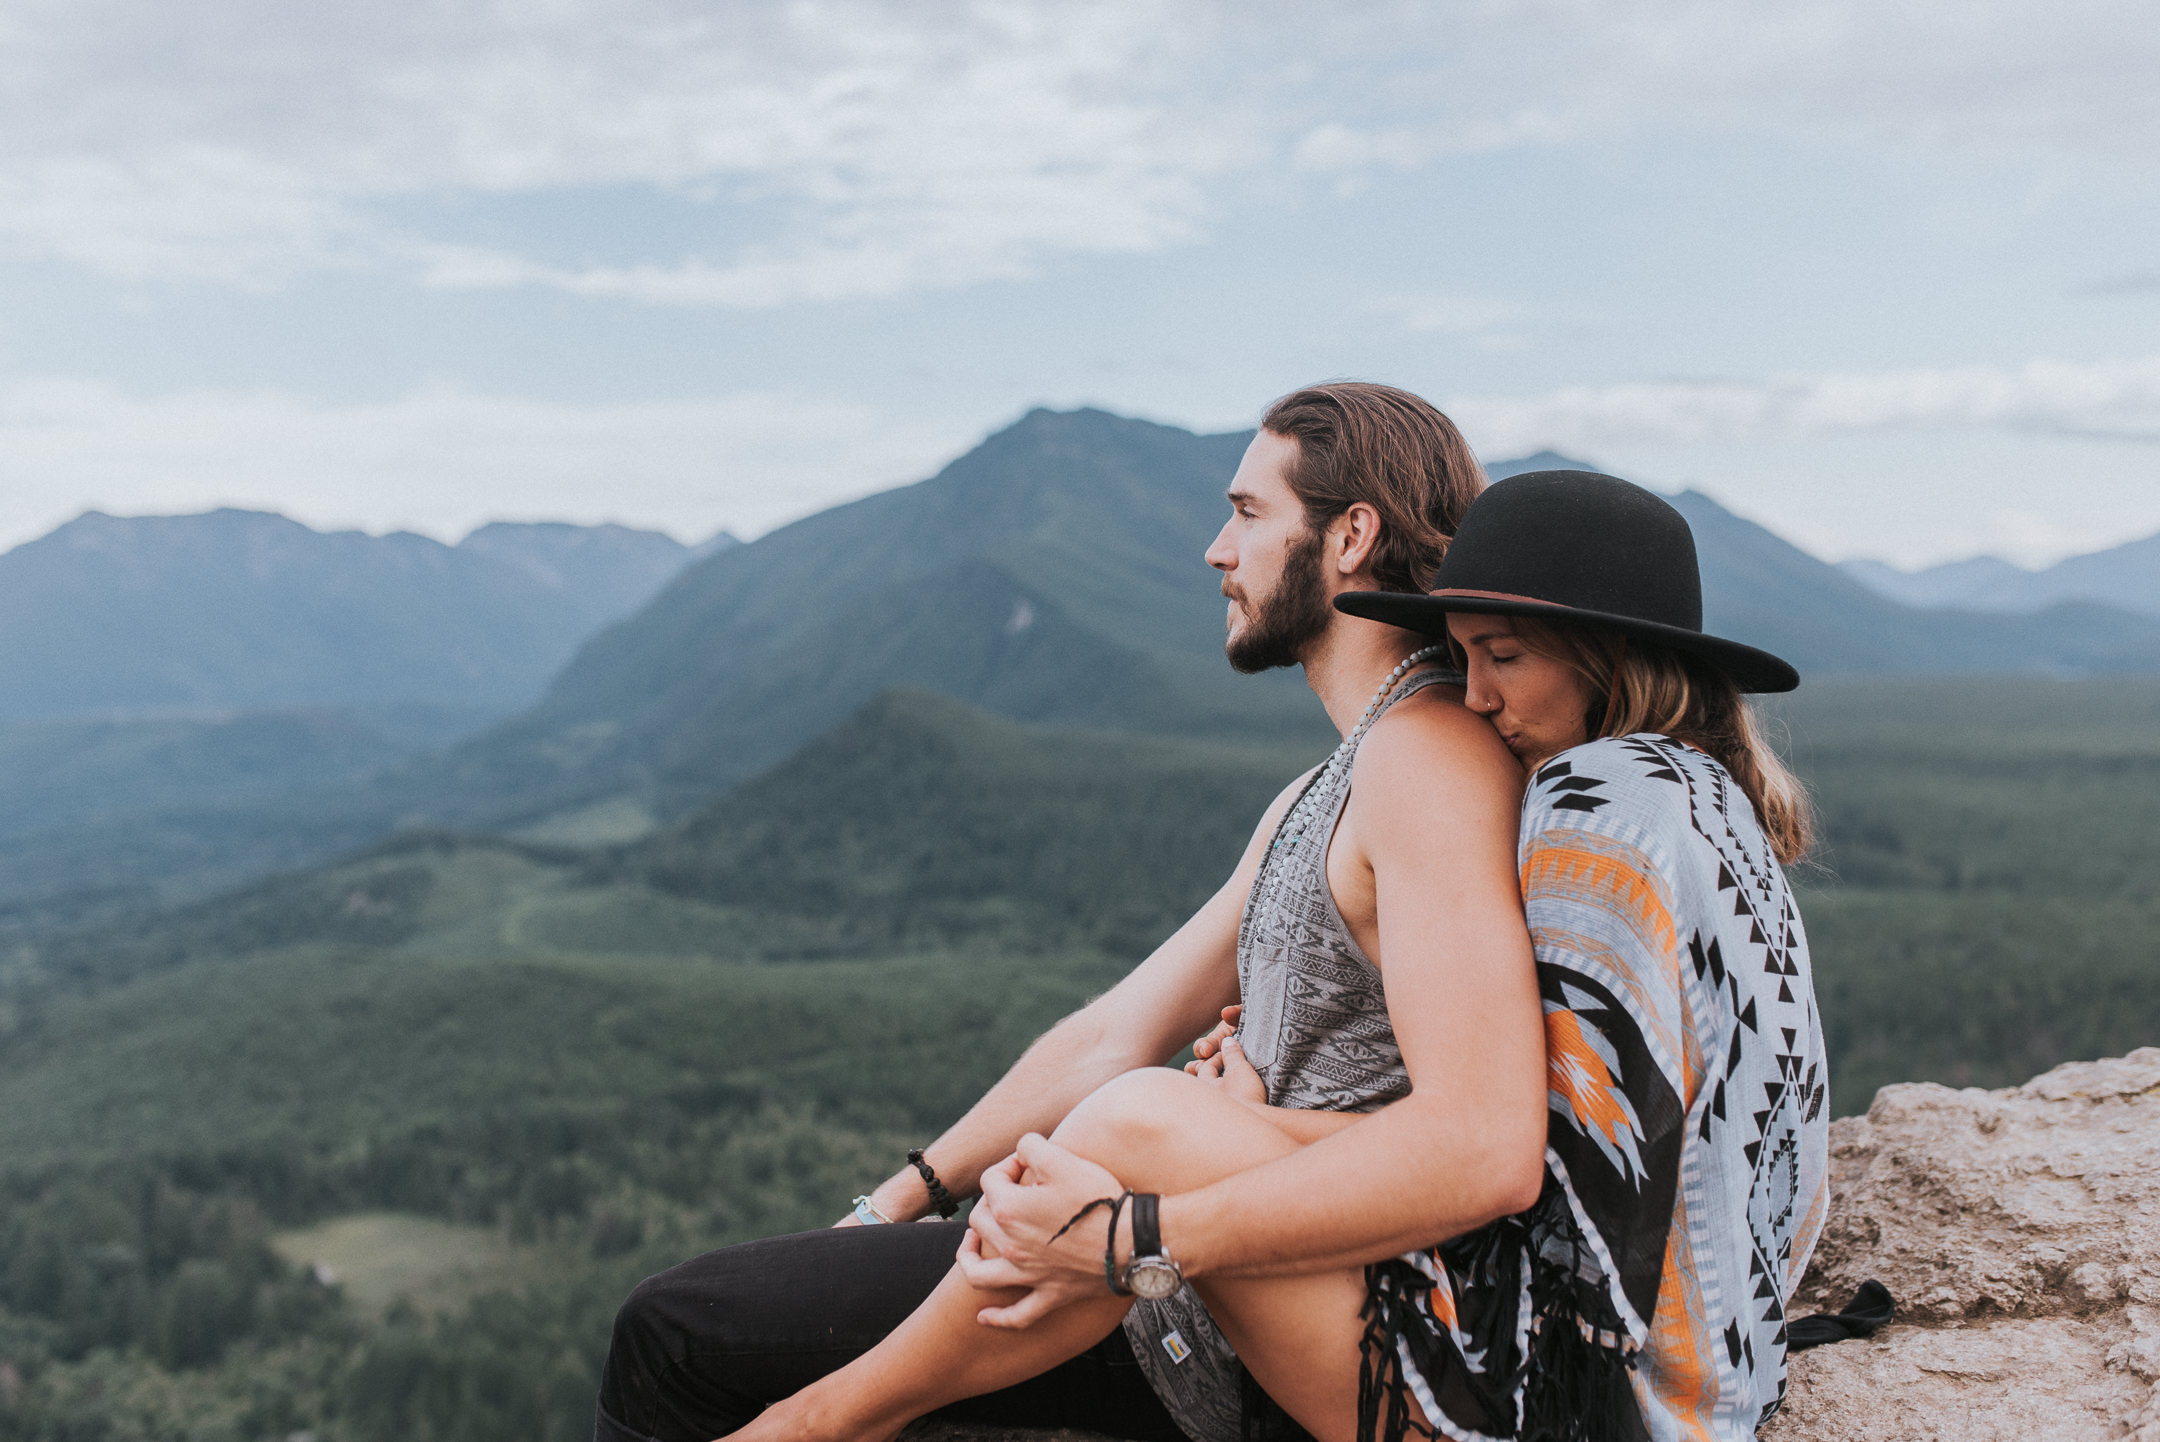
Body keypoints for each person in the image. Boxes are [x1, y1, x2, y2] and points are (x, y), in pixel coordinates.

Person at [592, 382, 1549, 1442]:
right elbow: (1115, 1029)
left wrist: (1165, 1188)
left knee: (674, 1340)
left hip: (1240, 1309)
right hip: (1190, 1281)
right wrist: (902, 1195)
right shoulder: (1339, 778)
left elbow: (1484, 1142)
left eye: (1248, 511)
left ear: (1350, 535)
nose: (1215, 549)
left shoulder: (1424, 759)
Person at [1331, 469, 1830, 1441]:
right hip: (1735, 1335)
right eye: (1459, 656)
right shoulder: (1702, 788)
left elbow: (1562, 1165)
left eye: (1505, 655)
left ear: (1609, 655)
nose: (1474, 696)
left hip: (1608, 1382)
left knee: (1157, 1167)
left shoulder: (1591, 799)